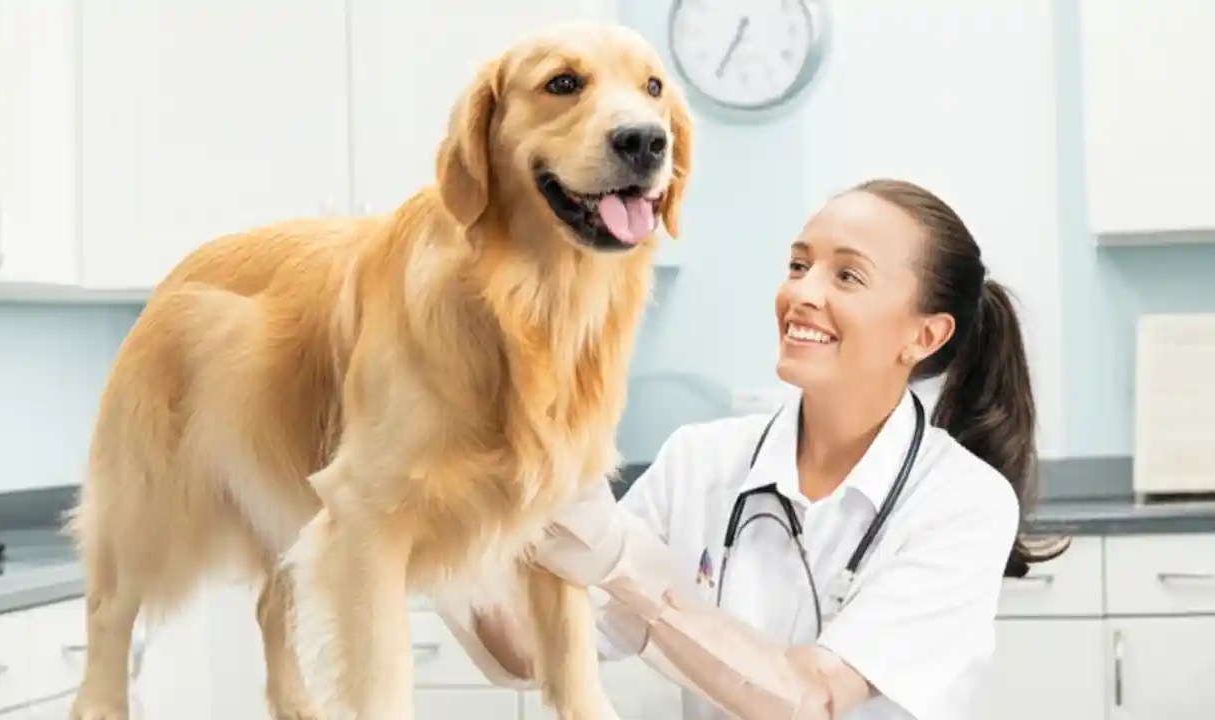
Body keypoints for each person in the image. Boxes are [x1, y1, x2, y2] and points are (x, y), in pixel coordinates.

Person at [436, 178, 1068, 719]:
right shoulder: (699, 462)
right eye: (799, 265)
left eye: (847, 275)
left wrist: (622, 561)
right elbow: (526, 652)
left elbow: (808, 699)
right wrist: (443, 510)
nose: (801, 294)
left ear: (924, 334)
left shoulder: (962, 502)